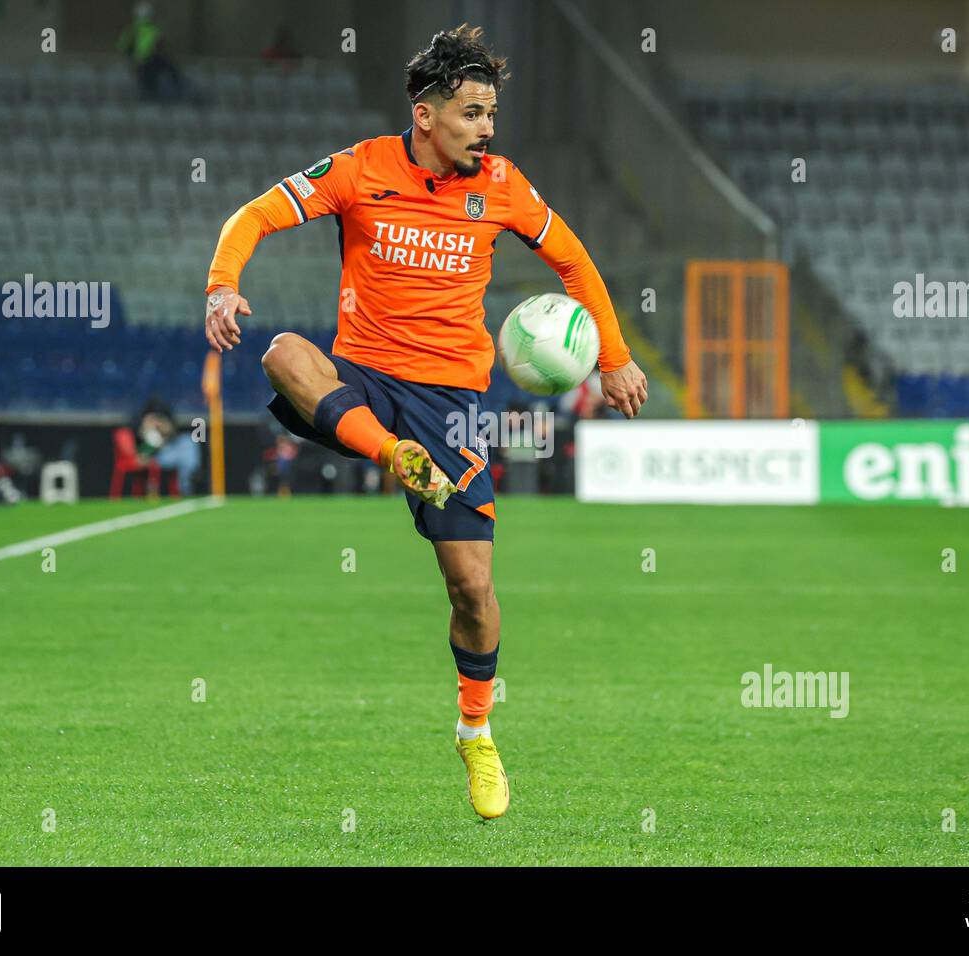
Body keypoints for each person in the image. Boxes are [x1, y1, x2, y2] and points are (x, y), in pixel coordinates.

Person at [203, 24, 648, 820]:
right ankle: (391, 454)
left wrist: (612, 356)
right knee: (281, 353)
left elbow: (575, 262)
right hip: (366, 380)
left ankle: (475, 733)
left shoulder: (504, 185)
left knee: (472, 586)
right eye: (473, 113)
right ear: (425, 114)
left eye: (491, 114)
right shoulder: (360, 169)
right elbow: (254, 215)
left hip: (452, 400)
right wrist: (222, 284)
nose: (486, 128)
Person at [116, 2, 185, 102]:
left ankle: (171, 89)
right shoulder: (138, 31)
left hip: (147, 62)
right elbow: (159, 47)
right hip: (145, 63)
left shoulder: (133, 30)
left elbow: (123, 47)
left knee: (159, 71)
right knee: (162, 68)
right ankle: (177, 86)